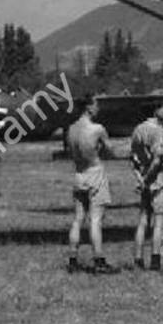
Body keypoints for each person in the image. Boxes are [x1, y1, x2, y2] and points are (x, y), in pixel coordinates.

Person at [66, 98, 114, 274]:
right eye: (96, 104)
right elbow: (111, 150)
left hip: (79, 175)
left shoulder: (71, 129)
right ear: (88, 107)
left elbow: (71, 151)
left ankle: (72, 259)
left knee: (78, 219)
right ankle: (99, 260)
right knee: (95, 220)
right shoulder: (97, 129)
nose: (98, 108)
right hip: (95, 173)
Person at [130, 102, 163, 271]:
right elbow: (157, 161)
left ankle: (138, 259)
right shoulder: (157, 130)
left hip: (143, 178)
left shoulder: (137, 130)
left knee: (143, 220)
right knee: (159, 221)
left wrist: (141, 180)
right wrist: (148, 179)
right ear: (156, 110)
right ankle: (155, 260)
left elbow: (133, 160)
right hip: (157, 179)